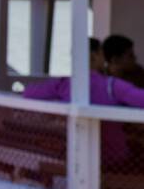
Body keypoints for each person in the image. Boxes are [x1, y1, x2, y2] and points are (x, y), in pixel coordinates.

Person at [24, 38, 144, 168]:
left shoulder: (63, 85)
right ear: (94, 56)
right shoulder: (112, 86)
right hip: (113, 157)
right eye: (101, 53)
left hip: (76, 156)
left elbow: (28, 92)